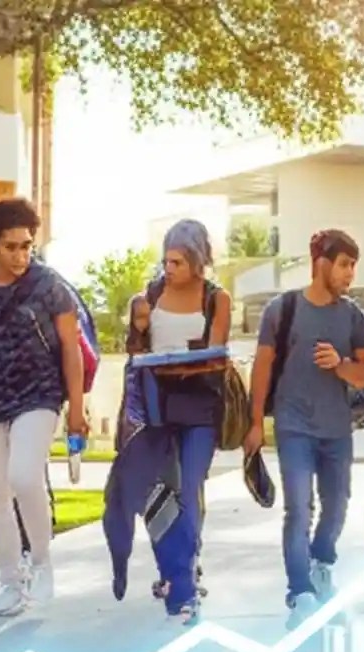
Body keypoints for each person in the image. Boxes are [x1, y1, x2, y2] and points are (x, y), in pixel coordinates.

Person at [243, 229, 364, 628]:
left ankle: (321, 562)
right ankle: (299, 590)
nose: (351, 272)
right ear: (321, 263)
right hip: (293, 423)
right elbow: (263, 367)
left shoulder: (351, 315)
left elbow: (361, 375)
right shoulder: (281, 310)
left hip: (337, 427)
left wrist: (338, 362)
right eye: (344, 264)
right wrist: (253, 424)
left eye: (353, 264)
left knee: (336, 507)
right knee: (298, 508)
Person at [0, 197, 88, 618]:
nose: (22, 254)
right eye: (11, 246)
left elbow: (71, 348)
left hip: (39, 394)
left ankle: (41, 562)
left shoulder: (49, 286)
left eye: (27, 244)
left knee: (25, 477)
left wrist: (77, 408)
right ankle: (10, 582)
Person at [102, 219, 231, 625]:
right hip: (156, 406)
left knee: (189, 489)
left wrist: (182, 362)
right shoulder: (151, 294)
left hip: (199, 407)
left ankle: (186, 576)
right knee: (158, 493)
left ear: (197, 260)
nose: (169, 268)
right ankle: (175, 575)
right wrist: (137, 331)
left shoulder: (216, 298)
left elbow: (217, 354)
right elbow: (135, 348)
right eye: (166, 260)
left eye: (178, 261)